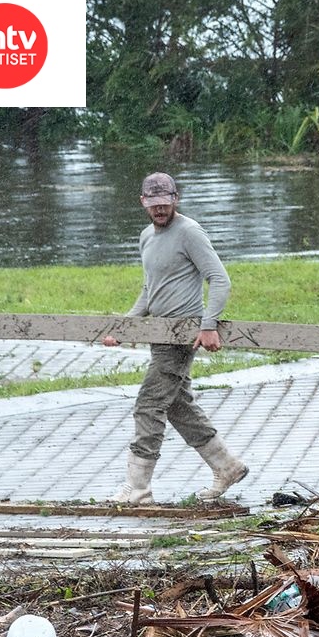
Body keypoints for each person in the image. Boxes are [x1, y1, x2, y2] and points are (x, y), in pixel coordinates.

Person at [102, 172, 249, 504]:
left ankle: (137, 489)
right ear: (143, 202)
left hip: (182, 335)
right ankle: (227, 466)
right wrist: (125, 328)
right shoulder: (146, 237)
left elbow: (219, 279)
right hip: (158, 334)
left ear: (175, 199)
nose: (159, 209)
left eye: (165, 203)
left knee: (149, 405)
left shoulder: (189, 232)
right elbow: (149, 291)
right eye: (153, 204)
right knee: (178, 406)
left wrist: (208, 325)